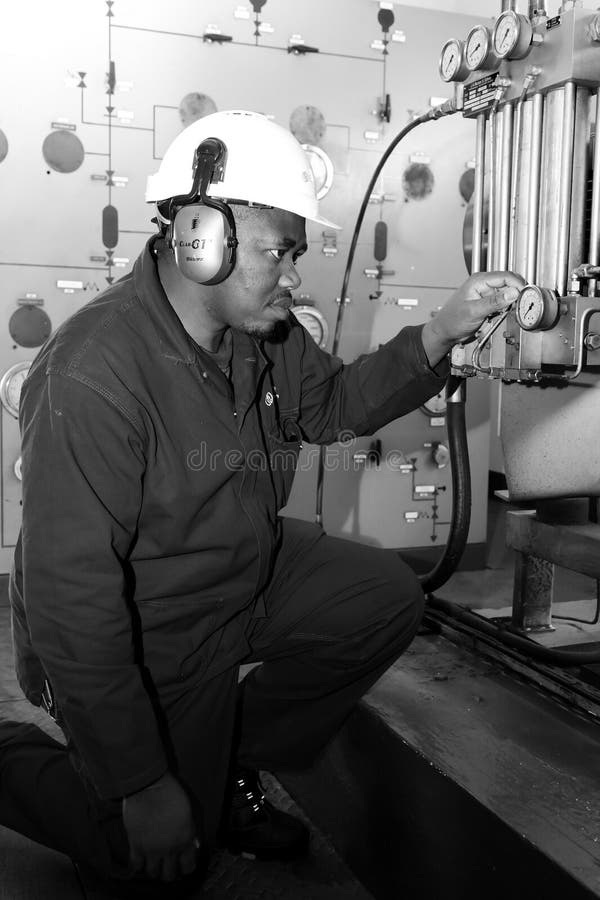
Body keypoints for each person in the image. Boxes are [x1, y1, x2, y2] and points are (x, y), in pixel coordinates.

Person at [0, 110, 524, 897]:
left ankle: (227, 766)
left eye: (294, 255)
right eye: (279, 252)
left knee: (383, 598)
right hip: (150, 627)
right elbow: (73, 597)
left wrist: (443, 329)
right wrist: (141, 784)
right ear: (199, 238)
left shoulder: (261, 332)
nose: (292, 277)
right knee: (152, 855)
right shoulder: (93, 371)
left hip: (243, 569)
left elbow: (335, 405)